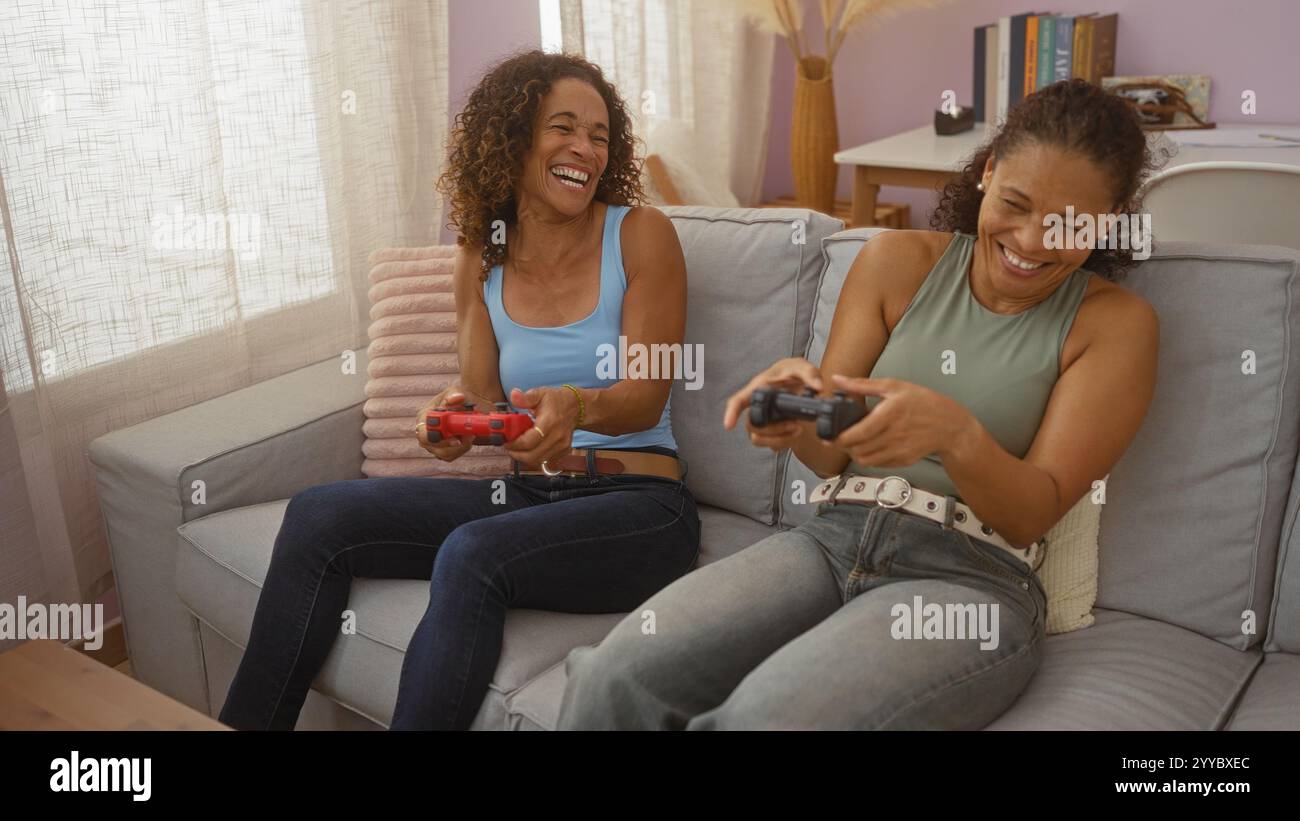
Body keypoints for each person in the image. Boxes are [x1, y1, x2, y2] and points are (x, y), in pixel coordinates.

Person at [557, 78, 1161, 730]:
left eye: (1068, 223)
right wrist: (796, 413)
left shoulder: (1115, 326)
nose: (1033, 240)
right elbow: (830, 454)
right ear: (988, 172)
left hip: (967, 580)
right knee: (615, 675)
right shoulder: (896, 262)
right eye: (1016, 203)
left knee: (763, 718)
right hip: (827, 537)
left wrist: (956, 435)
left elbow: (1031, 512)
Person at [219, 50, 699, 731]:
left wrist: (578, 405)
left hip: (641, 505)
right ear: (513, 137)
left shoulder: (642, 234)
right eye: (562, 127)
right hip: (530, 497)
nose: (584, 149)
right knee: (317, 517)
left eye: (599, 135)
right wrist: (446, 426)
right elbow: (481, 402)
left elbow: (646, 395)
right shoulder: (483, 253)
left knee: (472, 551)